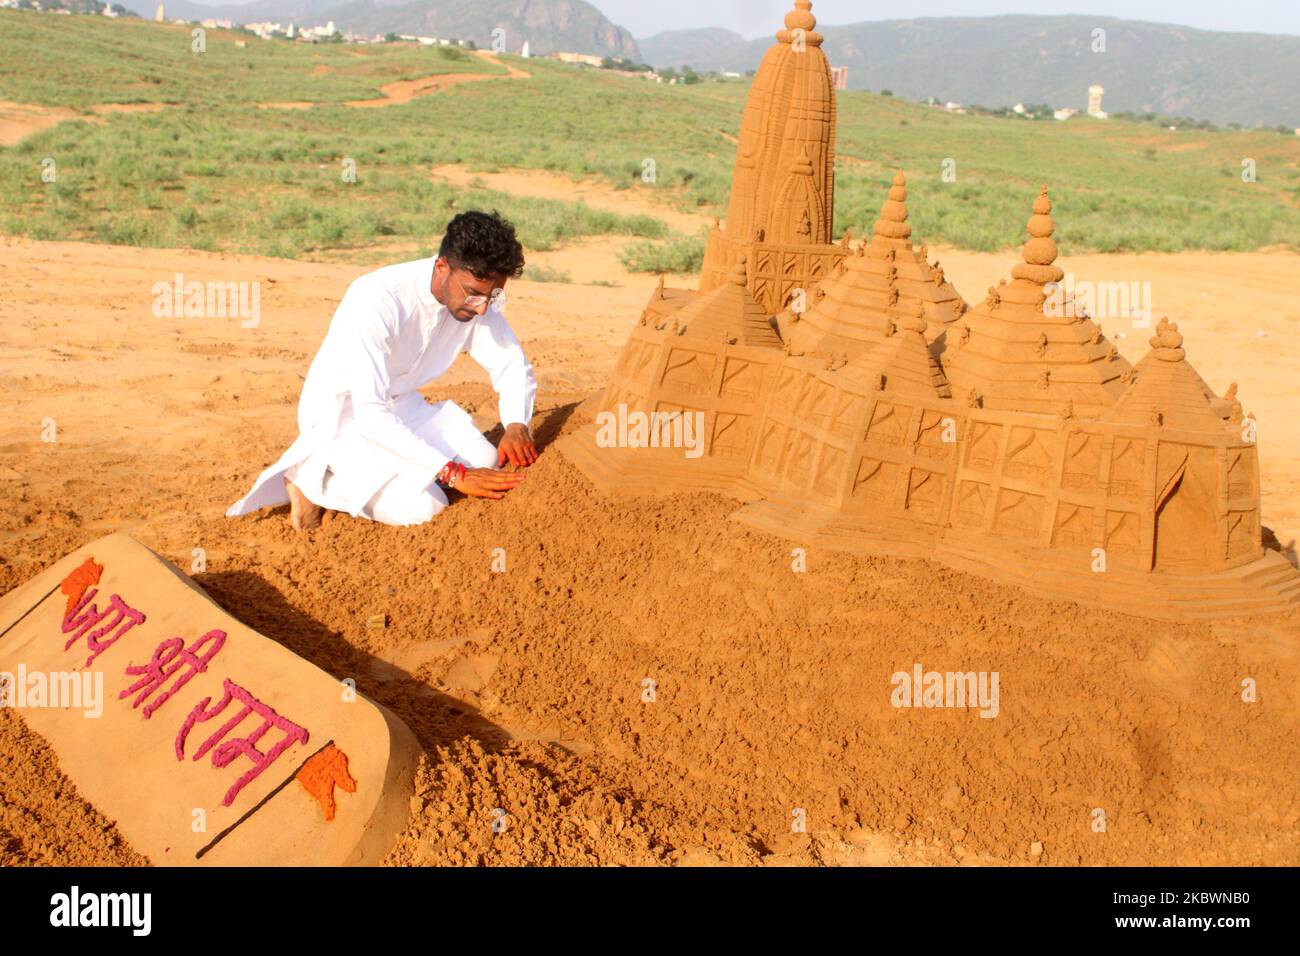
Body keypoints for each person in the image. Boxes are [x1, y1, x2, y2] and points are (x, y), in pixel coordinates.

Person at [226, 210, 538, 530]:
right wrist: (452, 474)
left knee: (484, 460)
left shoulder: (478, 295)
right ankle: (312, 480)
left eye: (493, 295)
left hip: (403, 405)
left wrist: (516, 423)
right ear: (442, 267)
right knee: (426, 507)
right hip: (345, 416)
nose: (483, 308)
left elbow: (511, 363)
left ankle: (377, 477)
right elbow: (371, 414)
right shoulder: (376, 298)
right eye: (474, 293)